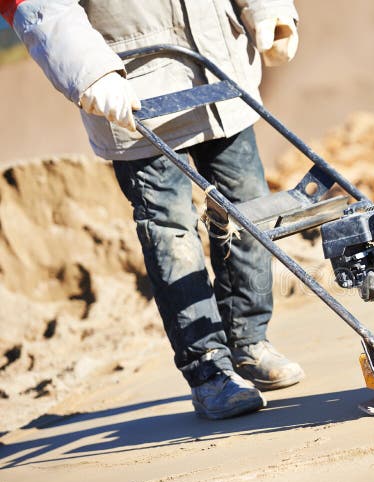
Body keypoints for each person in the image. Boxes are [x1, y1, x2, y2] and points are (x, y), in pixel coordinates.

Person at [3, 0, 305, 419]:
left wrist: (267, 7)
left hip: (220, 70)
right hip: (135, 95)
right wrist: (90, 71)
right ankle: (209, 371)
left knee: (249, 209)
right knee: (171, 232)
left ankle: (249, 341)